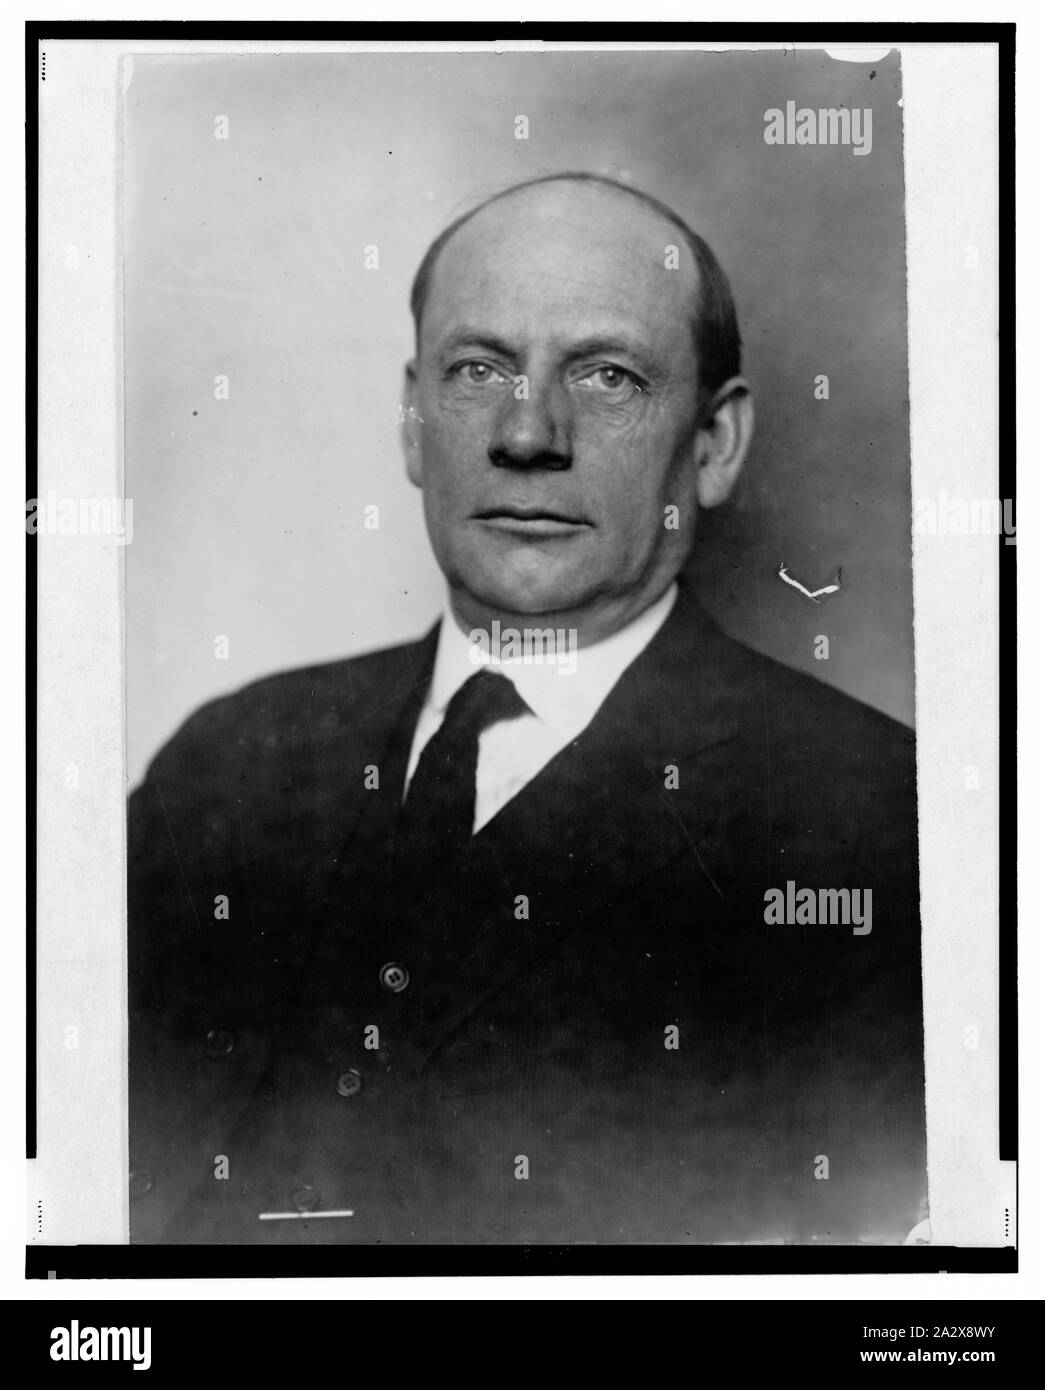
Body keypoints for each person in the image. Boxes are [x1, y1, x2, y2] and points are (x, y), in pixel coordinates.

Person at [128, 172, 925, 1245]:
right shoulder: (227, 767)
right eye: (477, 369)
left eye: (605, 376)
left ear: (713, 445)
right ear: (413, 423)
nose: (526, 432)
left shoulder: (874, 822)